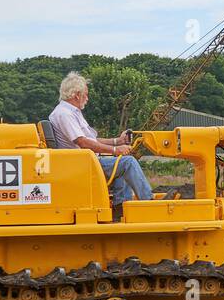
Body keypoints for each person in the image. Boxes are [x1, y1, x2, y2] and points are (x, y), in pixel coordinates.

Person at [47, 71, 153, 207]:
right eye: (86, 93)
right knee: (128, 163)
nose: (87, 97)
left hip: (82, 161)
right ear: (76, 94)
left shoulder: (70, 112)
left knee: (120, 163)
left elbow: (91, 139)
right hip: (82, 164)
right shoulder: (65, 114)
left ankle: (121, 205)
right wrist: (115, 150)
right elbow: (83, 142)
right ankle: (149, 202)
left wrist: (117, 141)